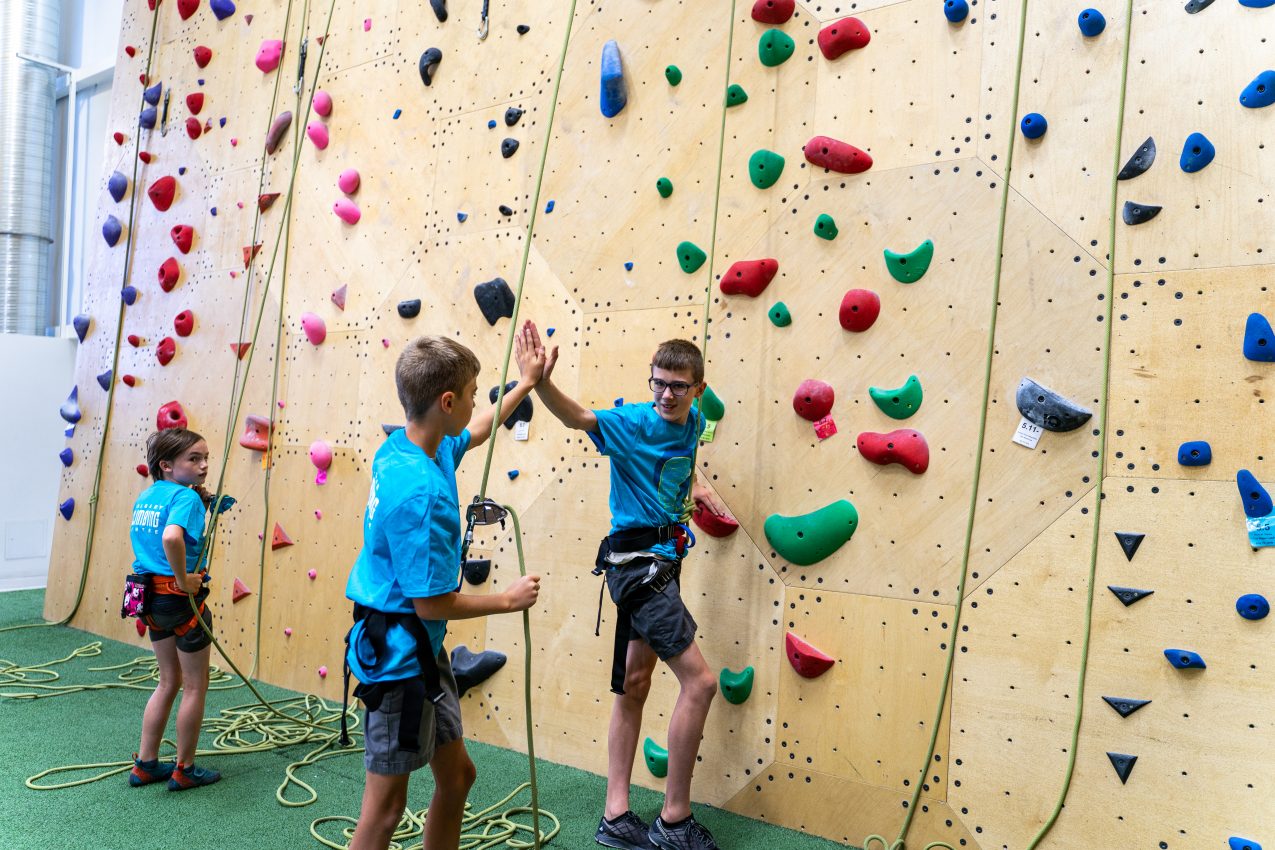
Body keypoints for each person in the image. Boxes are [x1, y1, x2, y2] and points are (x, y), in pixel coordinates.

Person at [524, 320, 731, 850]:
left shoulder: (695, 421)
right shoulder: (634, 422)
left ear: (698, 389)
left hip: (663, 563)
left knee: (635, 684)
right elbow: (579, 417)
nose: (665, 395)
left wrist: (694, 489)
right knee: (701, 684)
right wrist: (541, 383)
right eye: (658, 383)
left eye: (678, 386)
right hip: (639, 569)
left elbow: (681, 460)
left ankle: (616, 816)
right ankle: (674, 821)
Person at [345, 331, 543, 850]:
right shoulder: (422, 493)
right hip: (399, 661)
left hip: (421, 650)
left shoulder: (406, 448)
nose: (478, 400)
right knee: (385, 811)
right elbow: (431, 603)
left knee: (458, 778)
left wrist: (525, 384)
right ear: (447, 402)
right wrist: (507, 600)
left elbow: (475, 431)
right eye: (474, 393)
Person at [127, 428, 221, 791]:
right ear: (166, 465)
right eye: (193, 459)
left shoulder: (147, 496)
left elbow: (158, 535)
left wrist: (201, 501)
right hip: (179, 599)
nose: (203, 465)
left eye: (205, 458)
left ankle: (145, 763)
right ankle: (185, 768)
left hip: (147, 598)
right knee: (194, 686)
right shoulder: (186, 498)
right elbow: (171, 537)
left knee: (168, 681)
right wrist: (184, 580)